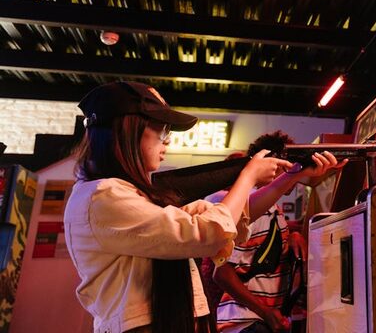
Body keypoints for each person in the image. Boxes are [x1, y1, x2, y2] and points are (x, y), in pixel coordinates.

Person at [62, 81, 318, 333]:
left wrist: (291, 176)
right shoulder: (102, 196)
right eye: (162, 131)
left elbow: (236, 215)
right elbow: (207, 232)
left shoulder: (134, 196)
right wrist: (248, 176)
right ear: (128, 129)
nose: (168, 142)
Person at [213, 131, 345, 333]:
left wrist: (294, 236)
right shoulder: (254, 208)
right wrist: (266, 311)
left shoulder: (271, 209)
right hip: (247, 323)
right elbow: (222, 273)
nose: (294, 171)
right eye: (291, 164)